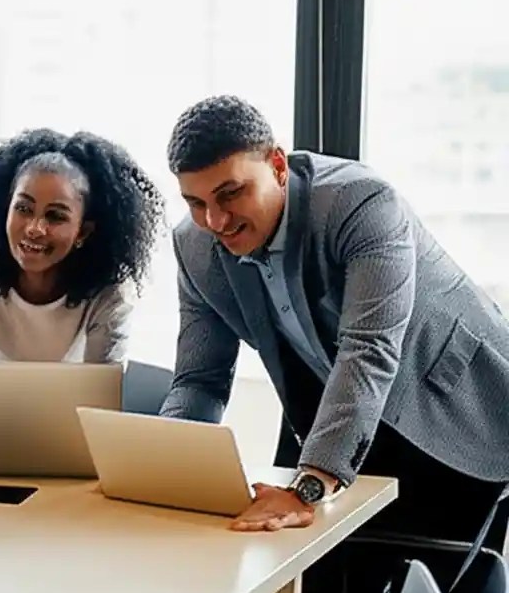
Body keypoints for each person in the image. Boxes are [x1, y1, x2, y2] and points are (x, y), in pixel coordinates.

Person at [160, 94, 509, 546]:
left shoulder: (360, 203)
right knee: (300, 582)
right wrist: (163, 466)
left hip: (448, 408)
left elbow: (369, 349)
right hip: (332, 416)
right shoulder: (194, 246)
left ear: (279, 166)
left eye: (232, 194)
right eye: (196, 202)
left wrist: (310, 487)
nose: (216, 219)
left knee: (432, 591)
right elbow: (198, 380)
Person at [0, 128, 164, 366]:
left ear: (83, 231)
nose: (34, 228)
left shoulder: (107, 297)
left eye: (55, 217)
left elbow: (104, 394)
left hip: (75, 405)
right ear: (5, 210)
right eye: (23, 209)